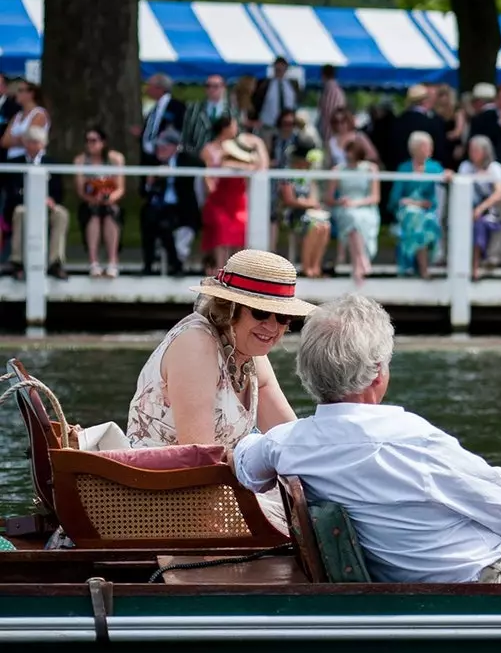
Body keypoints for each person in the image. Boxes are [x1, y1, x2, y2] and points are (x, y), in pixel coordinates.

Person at [232, 294, 501, 584]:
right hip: (491, 583)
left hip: (408, 580)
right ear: (378, 374)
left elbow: (246, 464)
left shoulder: (288, 443)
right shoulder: (414, 442)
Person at [126, 250, 312, 529]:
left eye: (283, 317)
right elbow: (201, 459)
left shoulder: (251, 353)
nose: (272, 327)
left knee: (319, 507)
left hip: (210, 492)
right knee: (306, 521)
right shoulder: (196, 344)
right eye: (261, 312)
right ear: (229, 308)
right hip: (163, 500)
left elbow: (292, 439)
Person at [5, 125, 69, 279]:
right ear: (24, 143)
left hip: (47, 205)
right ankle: (17, 262)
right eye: (29, 141)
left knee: (61, 214)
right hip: (24, 205)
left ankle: (55, 262)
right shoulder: (15, 163)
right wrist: (30, 199)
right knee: (20, 212)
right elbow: (12, 192)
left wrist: (51, 200)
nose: (32, 145)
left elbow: (59, 191)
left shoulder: (52, 163)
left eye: (36, 142)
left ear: (43, 144)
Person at [199, 116, 261, 272]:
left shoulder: (240, 147)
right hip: (219, 200)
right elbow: (208, 176)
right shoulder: (209, 149)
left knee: (239, 235)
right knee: (221, 235)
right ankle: (220, 272)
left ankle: (237, 273)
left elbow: (256, 165)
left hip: (237, 200)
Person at [389, 131, 446, 280]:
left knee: (420, 220)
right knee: (414, 217)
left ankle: (412, 265)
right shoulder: (404, 168)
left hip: (428, 211)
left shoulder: (435, 167)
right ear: (416, 148)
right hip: (407, 213)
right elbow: (396, 198)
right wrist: (413, 203)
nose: (430, 150)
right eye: (426, 147)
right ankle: (422, 268)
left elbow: (436, 195)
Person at [141, 130, 196, 277]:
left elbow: (190, 183)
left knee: (164, 225)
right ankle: (148, 265)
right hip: (157, 206)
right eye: (159, 147)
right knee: (148, 219)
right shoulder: (152, 162)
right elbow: (143, 191)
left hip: (179, 208)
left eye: (164, 147)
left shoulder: (186, 161)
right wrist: (149, 182)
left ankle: (175, 265)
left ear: (175, 147)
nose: (160, 150)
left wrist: (171, 172)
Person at [74, 127, 125, 278]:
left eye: (94, 141)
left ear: (103, 142)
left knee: (111, 213)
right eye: (87, 141)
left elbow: (120, 188)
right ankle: (93, 261)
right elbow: (80, 190)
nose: (90, 144)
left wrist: (109, 198)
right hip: (91, 201)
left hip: (110, 200)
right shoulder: (81, 161)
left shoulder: (115, 159)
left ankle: (112, 261)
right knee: (93, 214)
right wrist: (94, 199)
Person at [330, 138, 381, 286]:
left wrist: (356, 203)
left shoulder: (371, 168)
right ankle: (362, 262)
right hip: (344, 208)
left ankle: (358, 265)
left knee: (356, 219)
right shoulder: (338, 169)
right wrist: (341, 202)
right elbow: (328, 197)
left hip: (366, 208)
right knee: (351, 217)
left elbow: (375, 197)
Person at [278, 146, 331, 280]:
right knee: (314, 226)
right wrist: (307, 203)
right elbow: (289, 200)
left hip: (307, 213)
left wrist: (308, 203)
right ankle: (307, 267)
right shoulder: (288, 175)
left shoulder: (308, 176)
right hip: (292, 215)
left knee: (325, 226)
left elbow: (313, 198)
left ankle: (316, 266)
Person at [458, 135, 501, 281]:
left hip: (488, 211)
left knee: (479, 224)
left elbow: (499, 193)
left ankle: (475, 267)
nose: (472, 153)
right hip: (466, 209)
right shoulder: (465, 167)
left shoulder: (495, 168)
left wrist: (480, 209)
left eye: (476, 150)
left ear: (485, 151)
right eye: (471, 150)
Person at [252, 57, 300, 132]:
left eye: (282, 67)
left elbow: (295, 103)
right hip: (268, 124)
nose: (280, 69)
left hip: (287, 126)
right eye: (277, 67)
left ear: (286, 68)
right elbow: (256, 102)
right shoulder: (265, 84)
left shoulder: (293, 84)